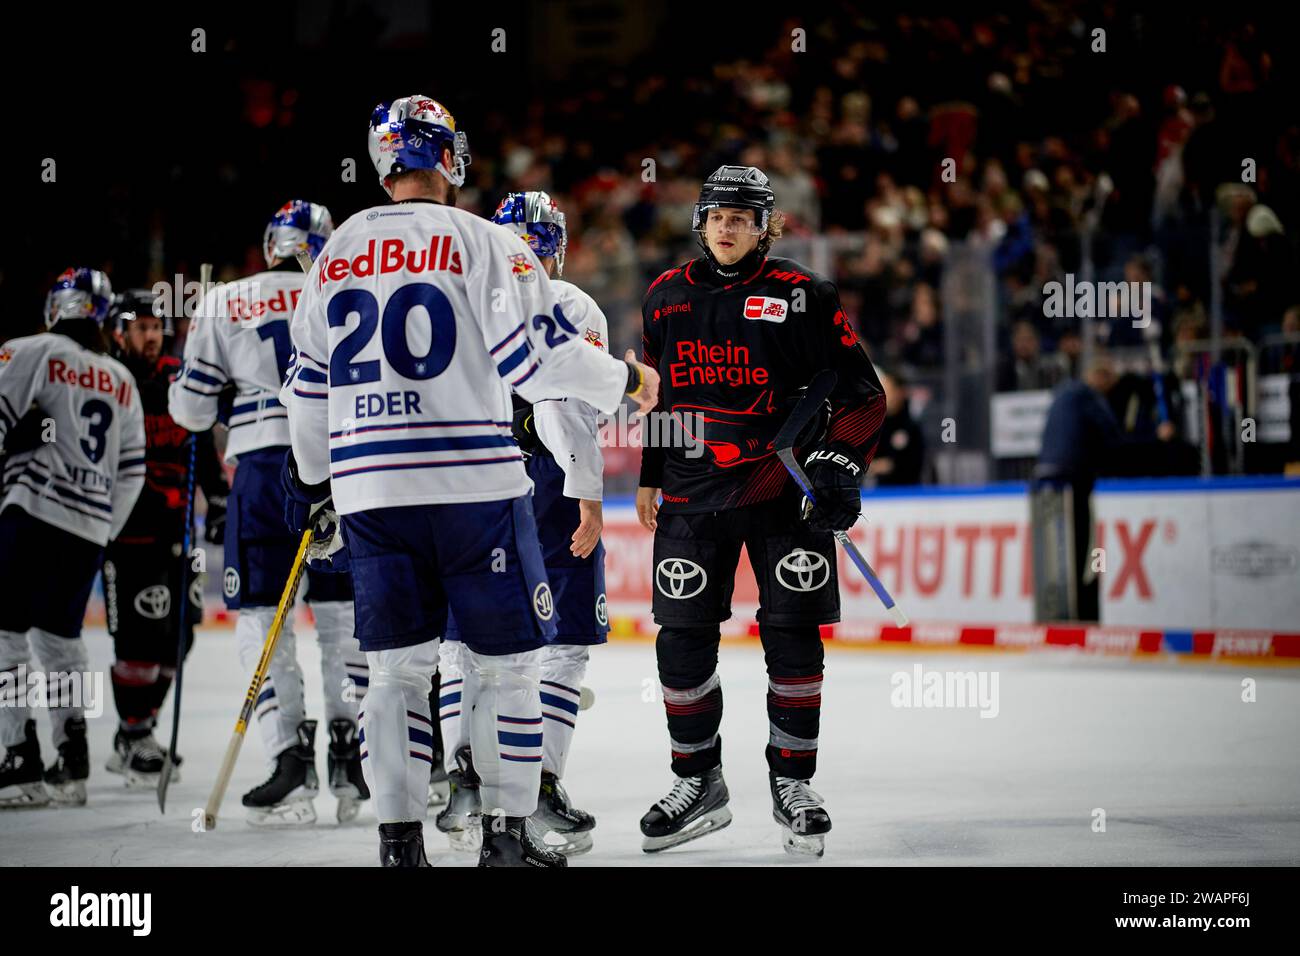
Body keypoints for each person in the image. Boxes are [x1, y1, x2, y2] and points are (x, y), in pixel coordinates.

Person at [278, 95, 659, 867]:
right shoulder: (483, 241)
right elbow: (540, 363)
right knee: (512, 667)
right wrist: (626, 378)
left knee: (395, 674)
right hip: (476, 489)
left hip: (371, 493)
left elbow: (304, 393)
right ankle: (507, 840)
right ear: (447, 157)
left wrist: (319, 488)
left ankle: (399, 848)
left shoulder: (337, 251)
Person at [635, 165, 886, 857]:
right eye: (717, 215)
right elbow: (658, 399)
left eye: (741, 217)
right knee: (680, 641)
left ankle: (793, 784)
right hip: (689, 500)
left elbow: (863, 394)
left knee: (794, 641)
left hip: (784, 498)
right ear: (701, 221)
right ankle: (698, 782)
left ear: (765, 226)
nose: (726, 226)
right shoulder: (663, 298)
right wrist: (650, 475)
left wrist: (839, 467)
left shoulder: (803, 294)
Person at [168, 201, 369, 826]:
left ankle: (289, 761)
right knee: (343, 616)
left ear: (269, 245)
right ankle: (350, 755)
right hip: (338, 462)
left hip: (259, 470)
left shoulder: (225, 300)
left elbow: (191, 412)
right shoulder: (347, 284)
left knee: (261, 619)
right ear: (323, 243)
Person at [433, 191, 607, 857]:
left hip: (467, 486)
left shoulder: (456, 300)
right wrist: (588, 489)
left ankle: (462, 781)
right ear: (555, 244)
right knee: (560, 642)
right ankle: (538, 786)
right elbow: (570, 405)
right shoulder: (571, 304)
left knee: (467, 640)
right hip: (550, 488)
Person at [0, 269, 145, 808]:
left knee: (7, 635)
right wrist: (103, 528)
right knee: (62, 642)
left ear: (55, 308)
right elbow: (132, 471)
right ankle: (74, 758)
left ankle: (19, 758)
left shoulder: (29, 350)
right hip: (86, 527)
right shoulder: (121, 380)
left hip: (32, 512)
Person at [102, 290, 229, 787]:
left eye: (157, 327)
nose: (151, 336)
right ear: (119, 333)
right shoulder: (113, 382)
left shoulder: (179, 377)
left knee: (181, 635)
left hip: (180, 532)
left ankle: (140, 730)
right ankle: (133, 736)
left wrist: (217, 498)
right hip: (129, 535)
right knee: (138, 638)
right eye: (140, 328)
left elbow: (200, 436)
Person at [1031, 355, 1124, 622]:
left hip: (1044, 478)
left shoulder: (1062, 393)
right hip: (1074, 479)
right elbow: (1112, 438)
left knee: (1053, 547)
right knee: (1081, 544)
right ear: (1101, 376)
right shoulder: (1089, 397)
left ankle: (1054, 611)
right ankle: (1081, 609)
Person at [867, 366, 926, 486]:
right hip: (879, 492)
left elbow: (912, 463)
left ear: (900, 392)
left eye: (888, 390)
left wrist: (888, 465)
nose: (883, 394)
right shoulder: (875, 425)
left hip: (907, 491)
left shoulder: (910, 426)